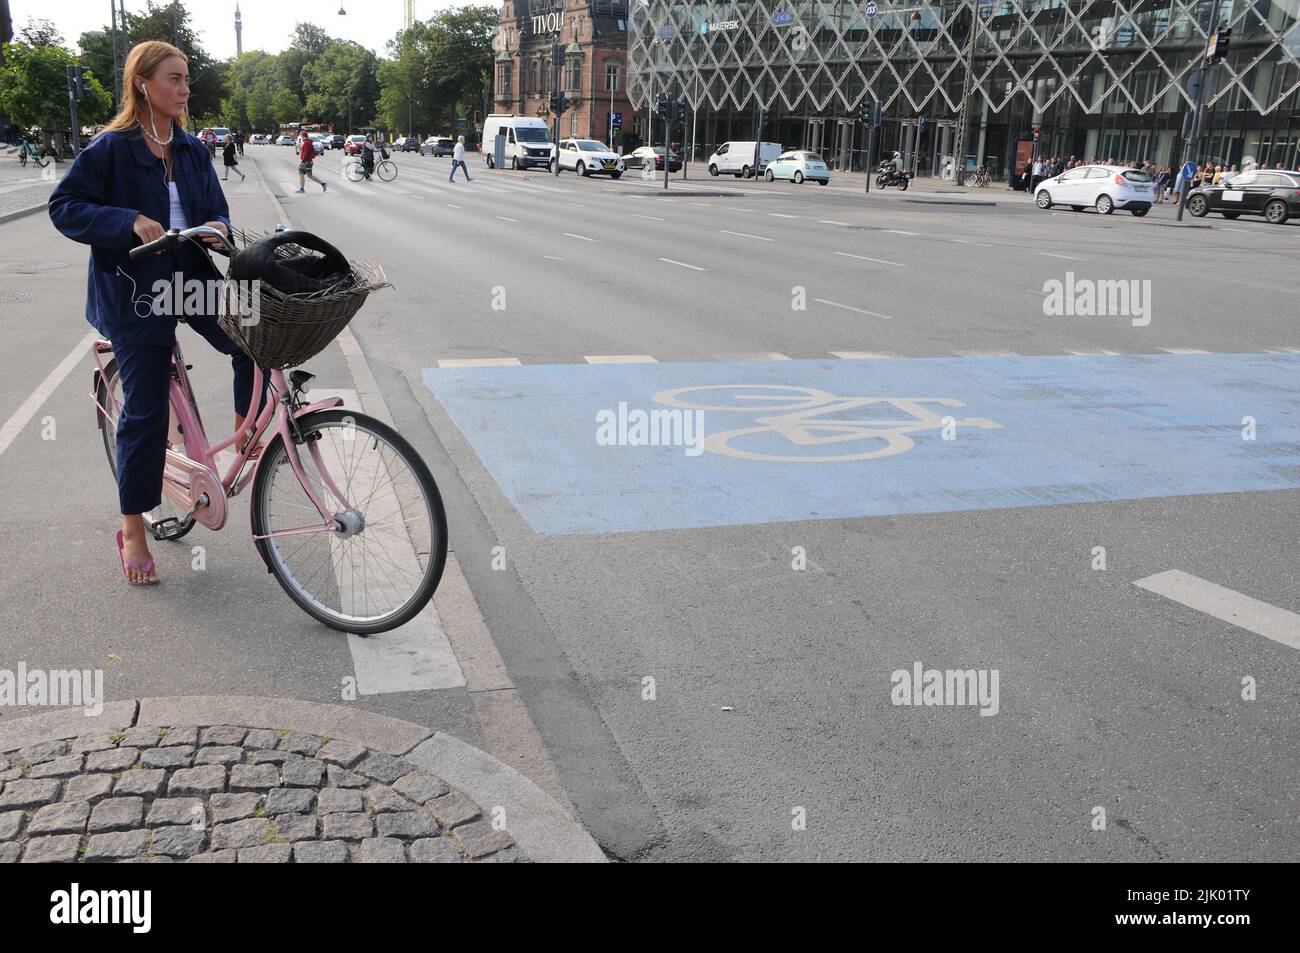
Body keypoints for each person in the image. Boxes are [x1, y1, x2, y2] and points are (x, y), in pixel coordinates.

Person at [48, 40, 267, 586]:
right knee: (144, 413)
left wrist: (217, 227)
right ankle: (133, 530)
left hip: (188, 277)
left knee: (254, 333)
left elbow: (216, 209)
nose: (185, 88)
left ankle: (244, 436)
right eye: (174, 78)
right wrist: (127, 220)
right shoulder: (111, 149)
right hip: (133, 291)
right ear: (142, 83)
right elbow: (65, 207)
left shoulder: (192, 150)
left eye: (187, 77)